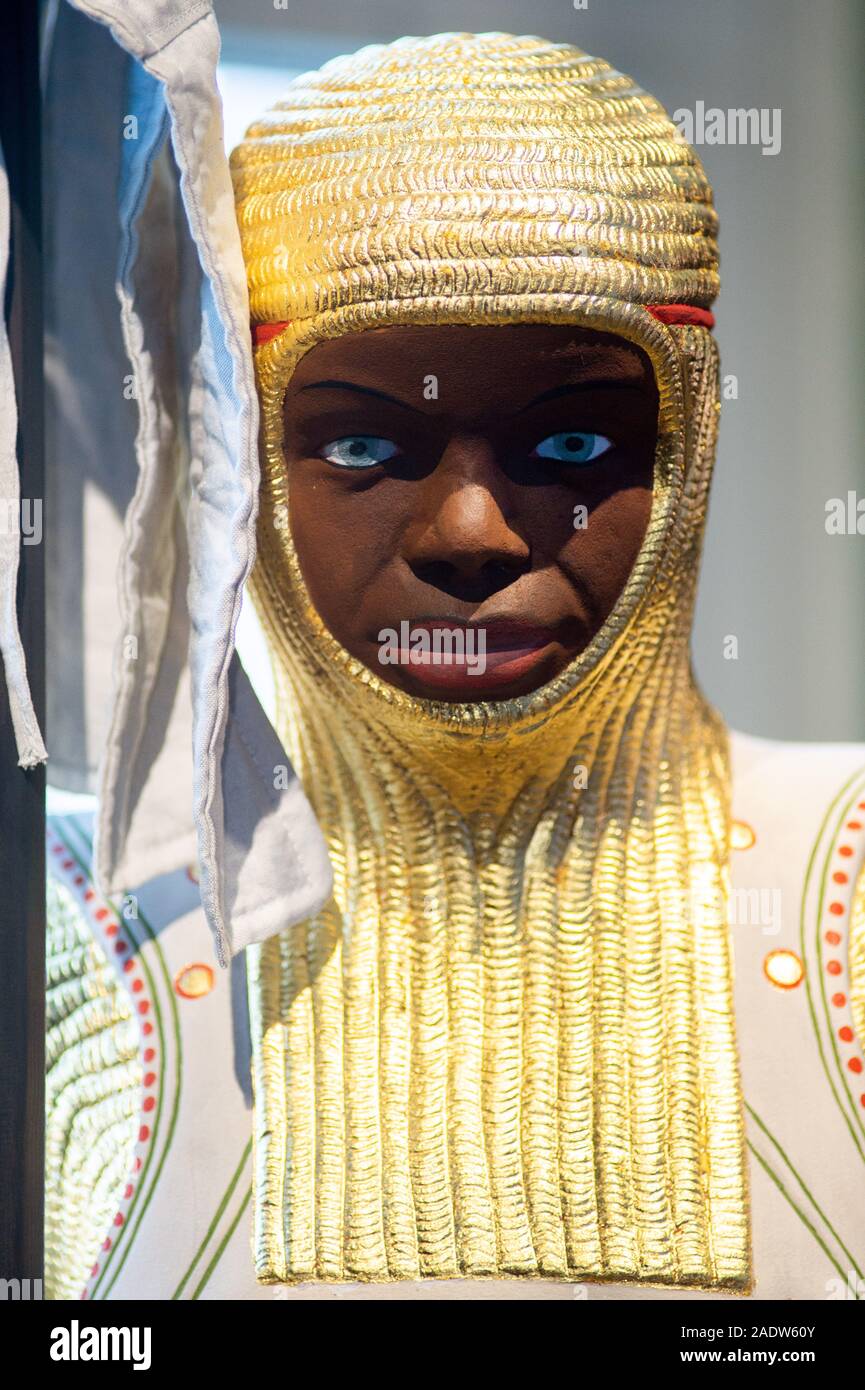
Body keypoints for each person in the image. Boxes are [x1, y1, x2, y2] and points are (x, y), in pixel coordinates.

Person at [46, 32, 865, 1301]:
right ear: (240, 462)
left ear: (690, 436)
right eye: (364, 442)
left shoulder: (849, 892)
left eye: (575, 435)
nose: (472, 536)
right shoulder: (84, 927)